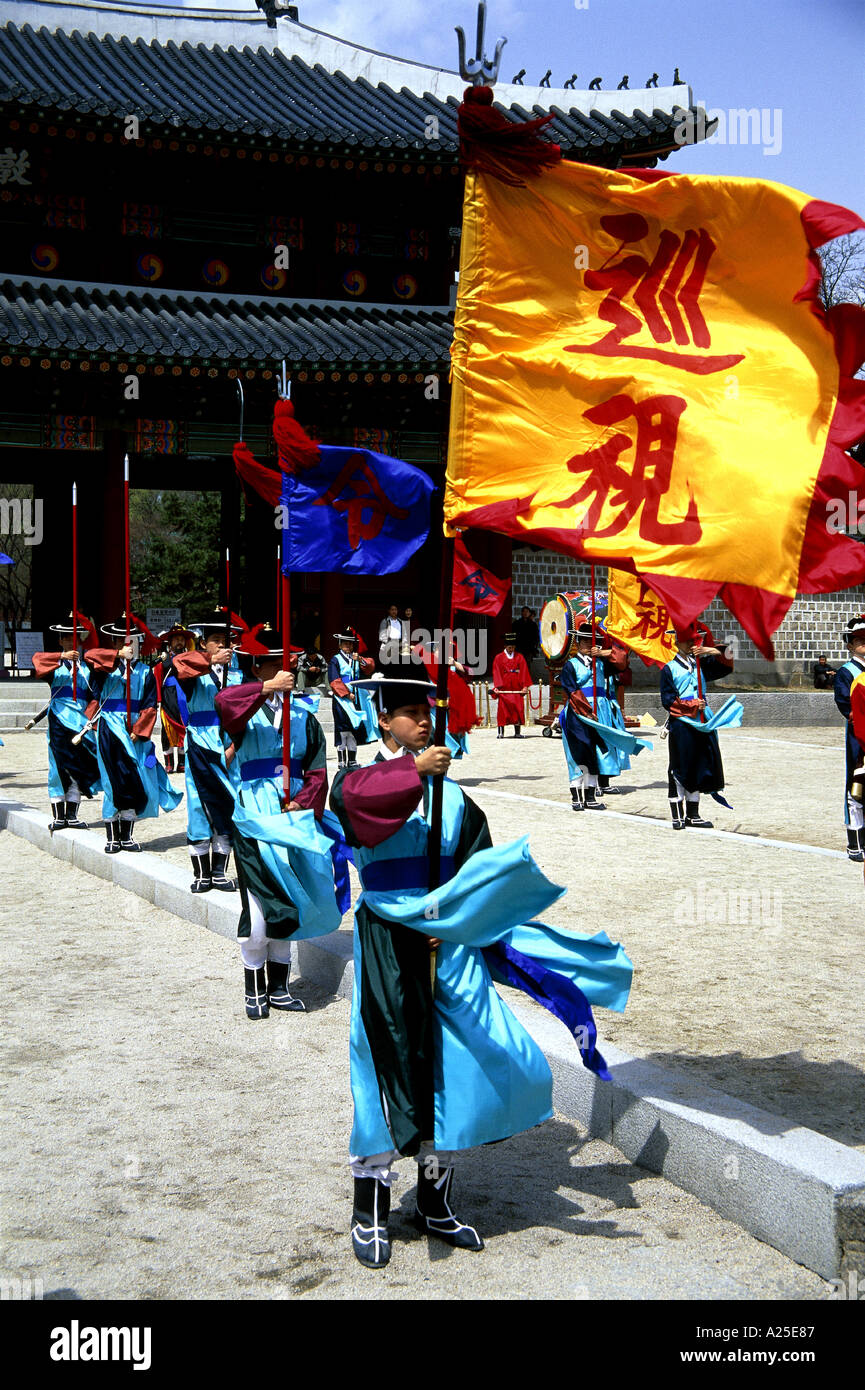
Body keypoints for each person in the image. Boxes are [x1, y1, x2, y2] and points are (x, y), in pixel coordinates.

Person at [329, 674, 633, 1269]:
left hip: (453, 946)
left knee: (459, 1066)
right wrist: (414, 774)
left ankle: (435, 1198)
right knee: (385, 1059)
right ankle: (369, 1206)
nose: (423, 721)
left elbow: (483, 873)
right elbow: (355, 809)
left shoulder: (459, 800)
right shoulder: (360, 779)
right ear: (384, 721)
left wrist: (492, 925)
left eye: (427, 711)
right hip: (391, 939)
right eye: (410, 713)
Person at [215, 632, 346, 1019]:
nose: (284, 670)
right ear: (257, 667)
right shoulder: (245, 707)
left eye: (286, 664)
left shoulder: (302, 716)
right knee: (259, 904)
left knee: (291, 897)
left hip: (292, 814)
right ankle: (252, 984)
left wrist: (302, 803)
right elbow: (225, 704)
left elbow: (318, 770)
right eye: (274, 664)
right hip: (253, 812)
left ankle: (278, 986)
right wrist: (267, 687)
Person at [161, 619, 244, 894]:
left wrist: (233, 746)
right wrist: (210, 659)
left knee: (226, 803)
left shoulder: (236, 674)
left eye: (226, 640)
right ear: (204, 644)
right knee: (198, 806)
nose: (222, 644)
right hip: (201, 741)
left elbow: (244, 714)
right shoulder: (195, 670)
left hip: (228, 742)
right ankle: (202, 873)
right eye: (216, 640)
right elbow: (176, 665)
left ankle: (220, 872)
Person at [87, 618, 182, 852]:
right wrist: (117, 655)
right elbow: (89, 656)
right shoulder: (105, 668)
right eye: (121, 641)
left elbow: (150, 705)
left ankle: (126, 835)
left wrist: (139, 731)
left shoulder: (144, 671)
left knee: (133, 778)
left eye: (131, 641)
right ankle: (112, 837)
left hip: (133, 732)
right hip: (109, 727)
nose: (128, 646)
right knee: (111, 780)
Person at [660, 622, 734, 829]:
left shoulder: (701, 663)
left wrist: (710, 650)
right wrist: (692, 704)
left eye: (693, 639)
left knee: (700, 763)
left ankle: (693, 814)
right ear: (676, 641)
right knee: (681, 764)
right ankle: (678, 814)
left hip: (703, 719)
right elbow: (667, 700)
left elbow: (727, 660)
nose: (691, 642)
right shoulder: (669, 669)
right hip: (682, 721)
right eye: (686, 639)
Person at [32, 618, 101, 830]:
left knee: (77, 766)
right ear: (61, 641)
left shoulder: (87, 669)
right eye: (67, 639)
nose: (72, 643)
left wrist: (88, 718)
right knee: (57, 765)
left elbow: (95, 696)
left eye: (75, 638)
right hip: (59, 720)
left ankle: (72, 815)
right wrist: (62, 656)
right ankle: (58, 816)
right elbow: (37, 661)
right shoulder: (54, 665)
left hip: (80, 721)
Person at [558, 622, 621, 811]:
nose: (588, 645)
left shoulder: (601, 664)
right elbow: (571, 690)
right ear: (577, 642)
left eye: (592, 641)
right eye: (584, 641)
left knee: (596, 752)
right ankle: (577, 795)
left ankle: (591, 795)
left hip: (599, 711)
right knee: (579, 751)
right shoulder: (571, 665)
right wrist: (586, 711)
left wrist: (603, 654)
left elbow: (622, 661)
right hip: (579, 712)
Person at [833, 616, 865, 861]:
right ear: (850, 645)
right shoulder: (847, 672)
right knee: (856, 785)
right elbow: (846, 704)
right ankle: (854, 840)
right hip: (859, 734)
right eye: (860, 640)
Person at [328, 628, 377, 768]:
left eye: (350, 644)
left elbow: (369, 667)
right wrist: (346, 694)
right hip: (341, 697)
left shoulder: (356, 658)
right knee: (343, 728)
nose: (348, 647)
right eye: (345, 644)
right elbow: (333, 679)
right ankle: (341, 760)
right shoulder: (335, 660)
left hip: (356, 697)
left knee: (353, 728)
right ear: (339, 645)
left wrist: (360, 659)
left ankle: (352, 760)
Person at [154, 625, 195, 774]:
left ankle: (182, 763)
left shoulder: (189, 658)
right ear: (170, 642)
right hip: (168, 697)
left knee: (185, 728)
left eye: (182, 639)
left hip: (185, 697)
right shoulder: (163, 660)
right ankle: (169, 763)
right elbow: (157, 678)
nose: (179, 642)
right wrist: (157, 699)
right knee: (167, 729)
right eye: (176, 639)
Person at [491, 633, 531, 739]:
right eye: (509, 647)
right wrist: (498, 687)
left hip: (516, 689)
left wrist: (524, 686)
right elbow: (497, 672)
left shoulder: (519, 657)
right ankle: (501, 732)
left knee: (518, 709)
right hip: (504, 689)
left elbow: (523, 672)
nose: (511, 649)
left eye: (513, 647)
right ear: (505, 646)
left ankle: (517, 732)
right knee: (502, 711)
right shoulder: (498, 658)